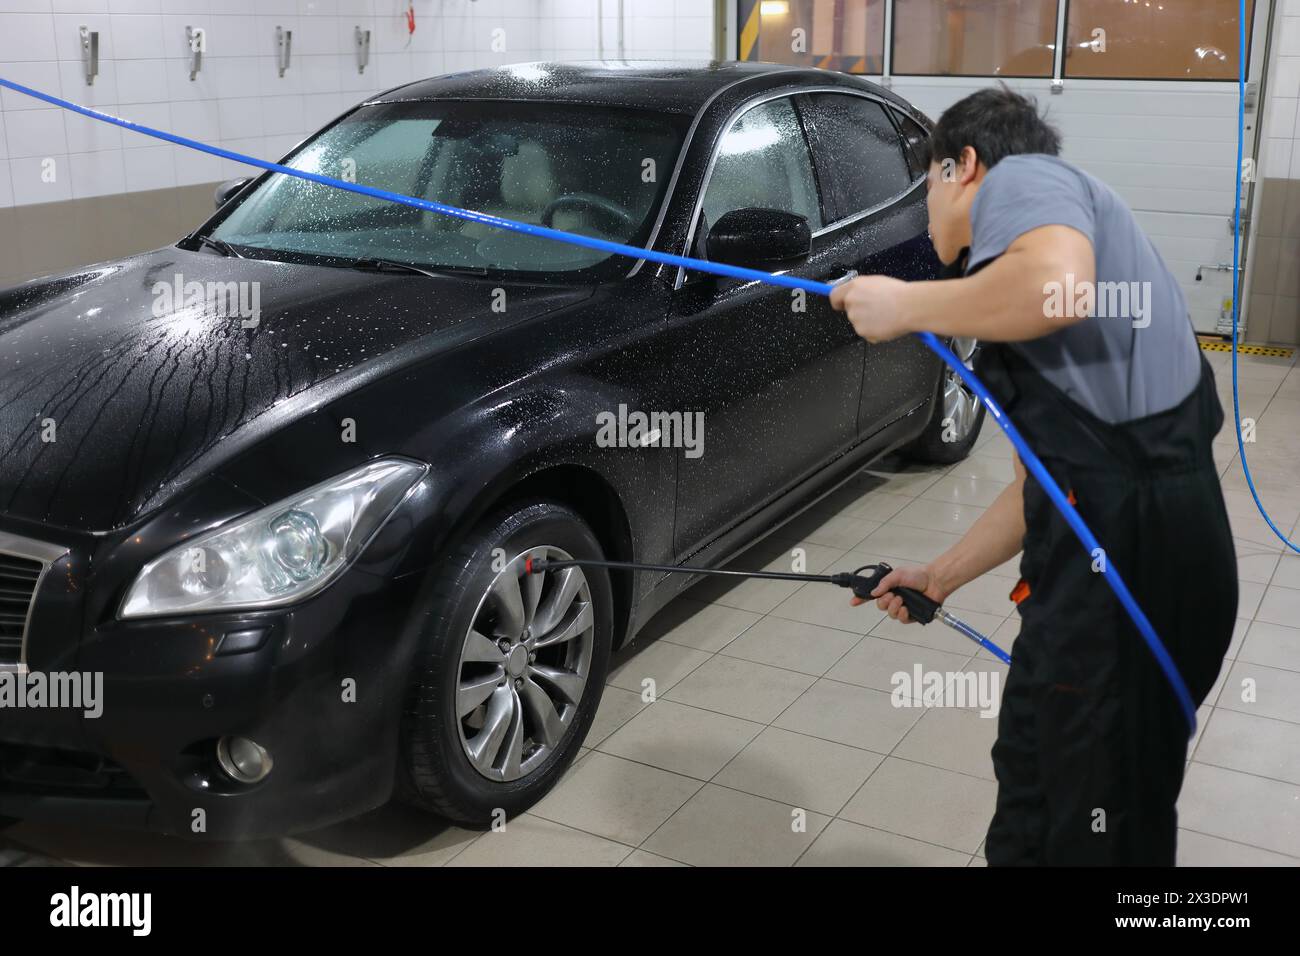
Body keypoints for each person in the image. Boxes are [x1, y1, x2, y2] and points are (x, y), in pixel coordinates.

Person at [829, 86, 1237, 866]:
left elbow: (1060, 287)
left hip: (1135, 569)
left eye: (931, 182)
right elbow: (1046, 485)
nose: (927, 205)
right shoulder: (1017, 285)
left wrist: (910, 303)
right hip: (1112, 562)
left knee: (1091, 818)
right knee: (1042, 788)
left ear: (967, 164)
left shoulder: (1023, 181)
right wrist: (940, 576)